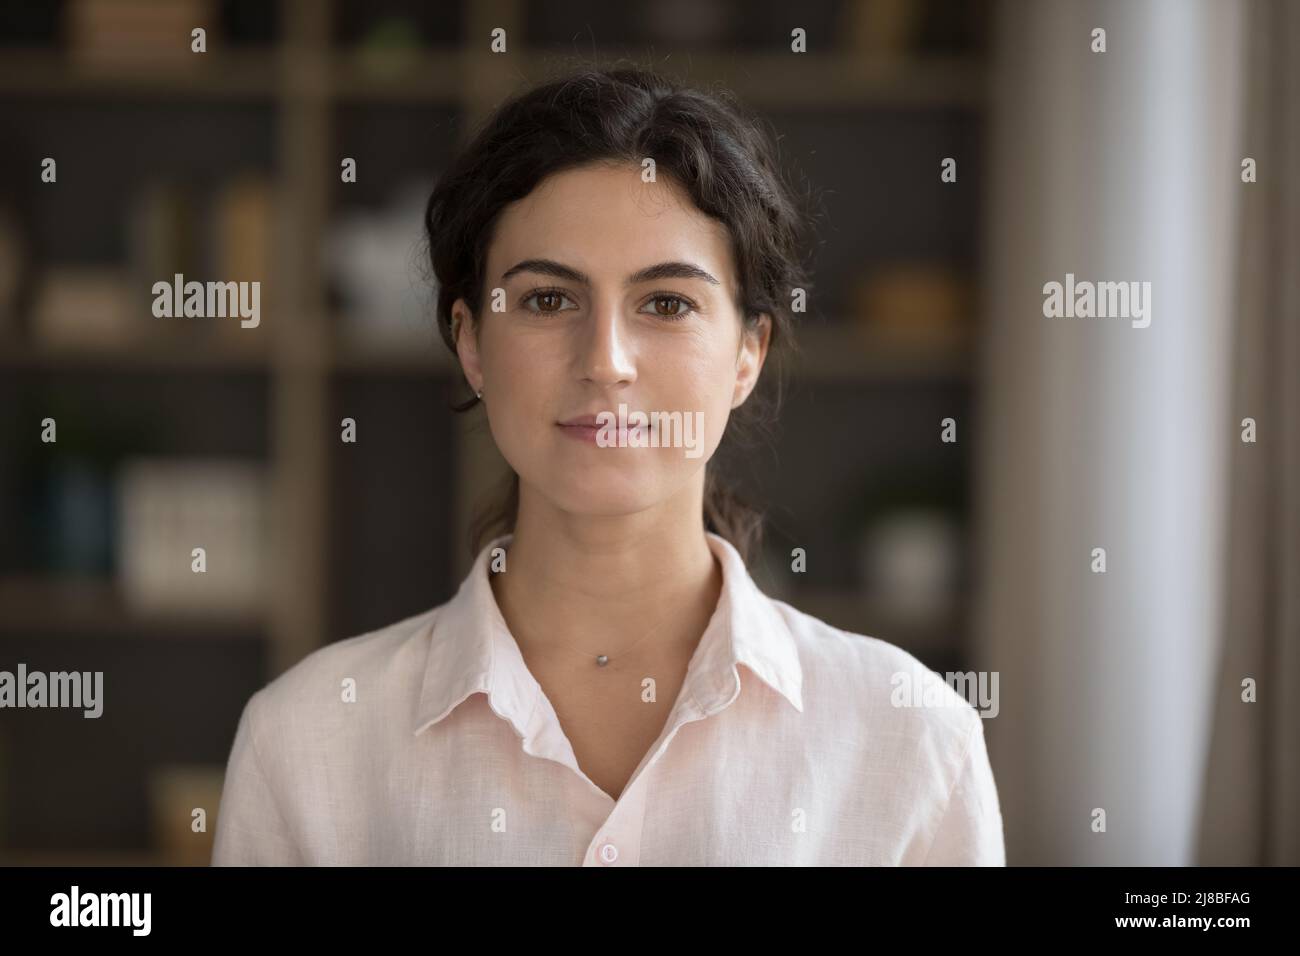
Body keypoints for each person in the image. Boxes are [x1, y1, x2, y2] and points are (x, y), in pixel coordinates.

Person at [211, 64, 1004, 866]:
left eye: (667, 304)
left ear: (747, 353)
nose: (607, 362)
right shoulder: (306, 742)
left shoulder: (911, 740)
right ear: (473, 343)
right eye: (549, 300)